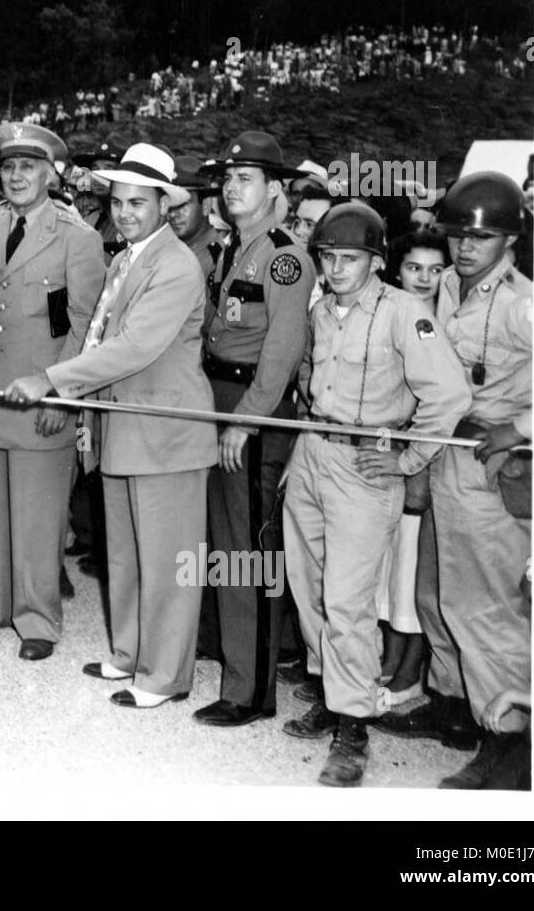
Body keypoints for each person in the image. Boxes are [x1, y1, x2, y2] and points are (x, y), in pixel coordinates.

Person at [2, 143, 216, 706]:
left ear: (164, 205)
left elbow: (135, 347)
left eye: (138, 203)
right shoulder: (124, 259)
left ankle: (165, 675)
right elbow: (98, 336)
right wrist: (85, 415)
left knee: (167, 562)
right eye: (118, 202)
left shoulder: (176, 265)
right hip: (122, 429)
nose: (124, 212)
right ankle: (129, 654)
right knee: (123, 553)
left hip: (166, 434)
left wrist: (51, 379)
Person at [280, 203, 469, 787]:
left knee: (348, 600)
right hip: (313, 453)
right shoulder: (321, 311)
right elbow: (310, 389)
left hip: (365, 469)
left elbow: (451, 397)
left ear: (376, 260)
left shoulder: (403, 312)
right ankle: (333, 693)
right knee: (306, 585)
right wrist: (298, 456)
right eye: (328, 256)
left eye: (350, 258)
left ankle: (354, 725)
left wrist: (406, 458)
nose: (336, 267)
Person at [377, 173, 532, 789]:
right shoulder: (443, 285)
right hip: (441, 452)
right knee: (433, 594)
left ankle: (513, 739)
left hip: (486, 465)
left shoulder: (523, 305)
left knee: (485, 607)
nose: (466, 247)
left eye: (484, 237)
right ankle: (452, 709)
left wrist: (521, 425)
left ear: (510, 239)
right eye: (457, 236)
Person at [0, 124, 105, 660]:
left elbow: (85, 326)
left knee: (39, 517)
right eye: (9, 167)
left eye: (28, 167)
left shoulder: (76, 237)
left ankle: (39, 618)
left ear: (50, 173)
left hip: (39, 395)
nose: (17, 176)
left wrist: (62, 394)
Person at [194, 130, 314, 727]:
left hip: (254, 409)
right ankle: (228, 656)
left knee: (249, 551)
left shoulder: (286, 255)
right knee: (223, 542)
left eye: (246, 178)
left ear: (275, 189)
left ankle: (252, 691)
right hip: (217, 399)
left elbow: (282, 353)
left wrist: (245, 422)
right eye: (228, 177)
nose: (231, 186)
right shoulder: (230, 247)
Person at [375, 230, 451, 711]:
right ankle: (390, 657)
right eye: (413, 268)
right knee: (389, 564)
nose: (424, 279)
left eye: (435, 269)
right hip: (388, 447)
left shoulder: (448, 321)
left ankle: (409, 672)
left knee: (417, 569)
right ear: (396, 268)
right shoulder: (386, 311)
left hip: (428, 457)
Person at [166, 155, 225, 276]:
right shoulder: (170, 250)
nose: (172, 214)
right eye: (169, 204)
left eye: (182, 205)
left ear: (206, 205)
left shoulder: (217, 261)